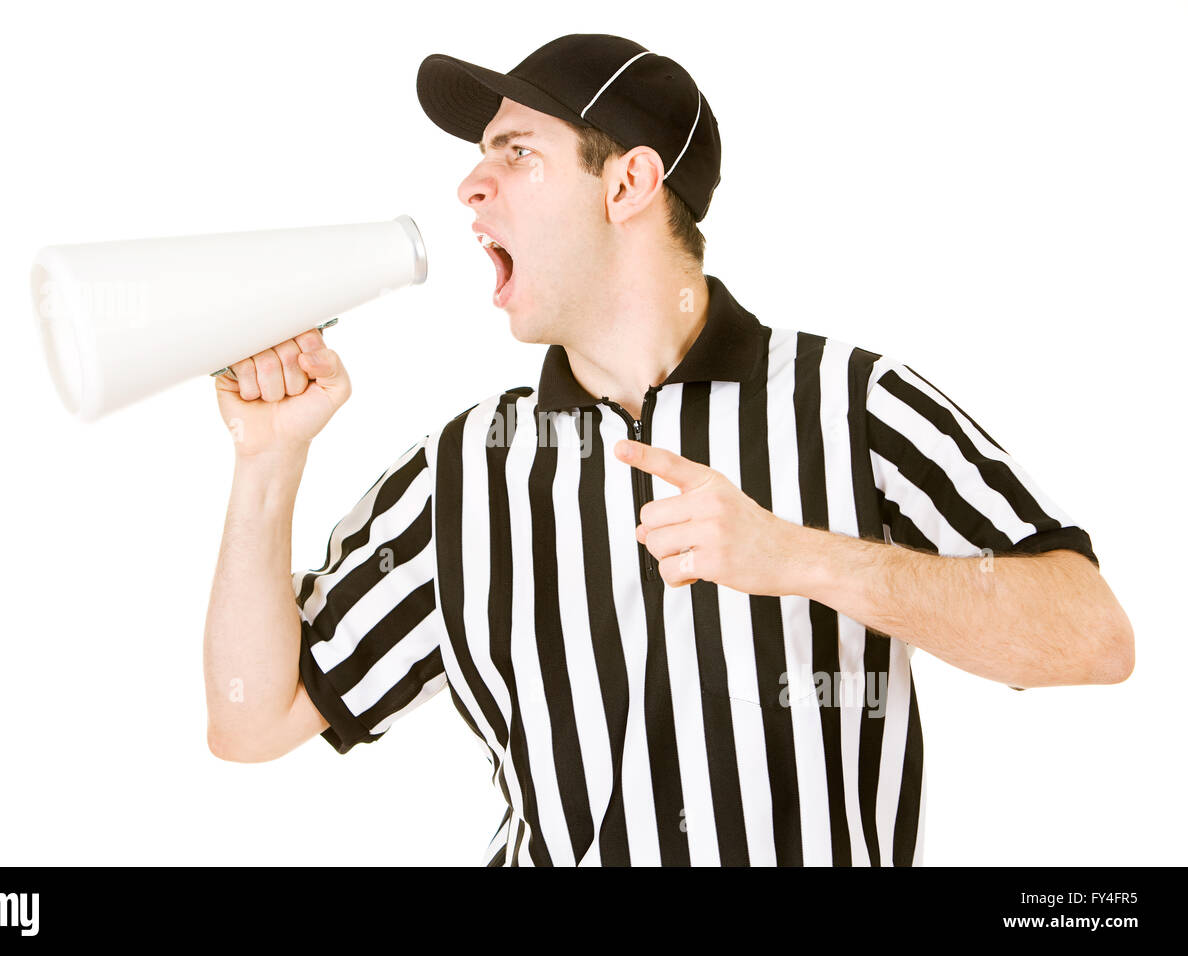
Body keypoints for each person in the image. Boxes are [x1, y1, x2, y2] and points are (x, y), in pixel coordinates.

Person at [203, 34, 1134, 866]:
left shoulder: (855, 405)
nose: (469, 185)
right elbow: (252, 719)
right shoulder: (463, 470)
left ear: (628, 185)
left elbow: (1091, 634)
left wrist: (798, 557)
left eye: (516, 154)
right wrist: (268, 460)